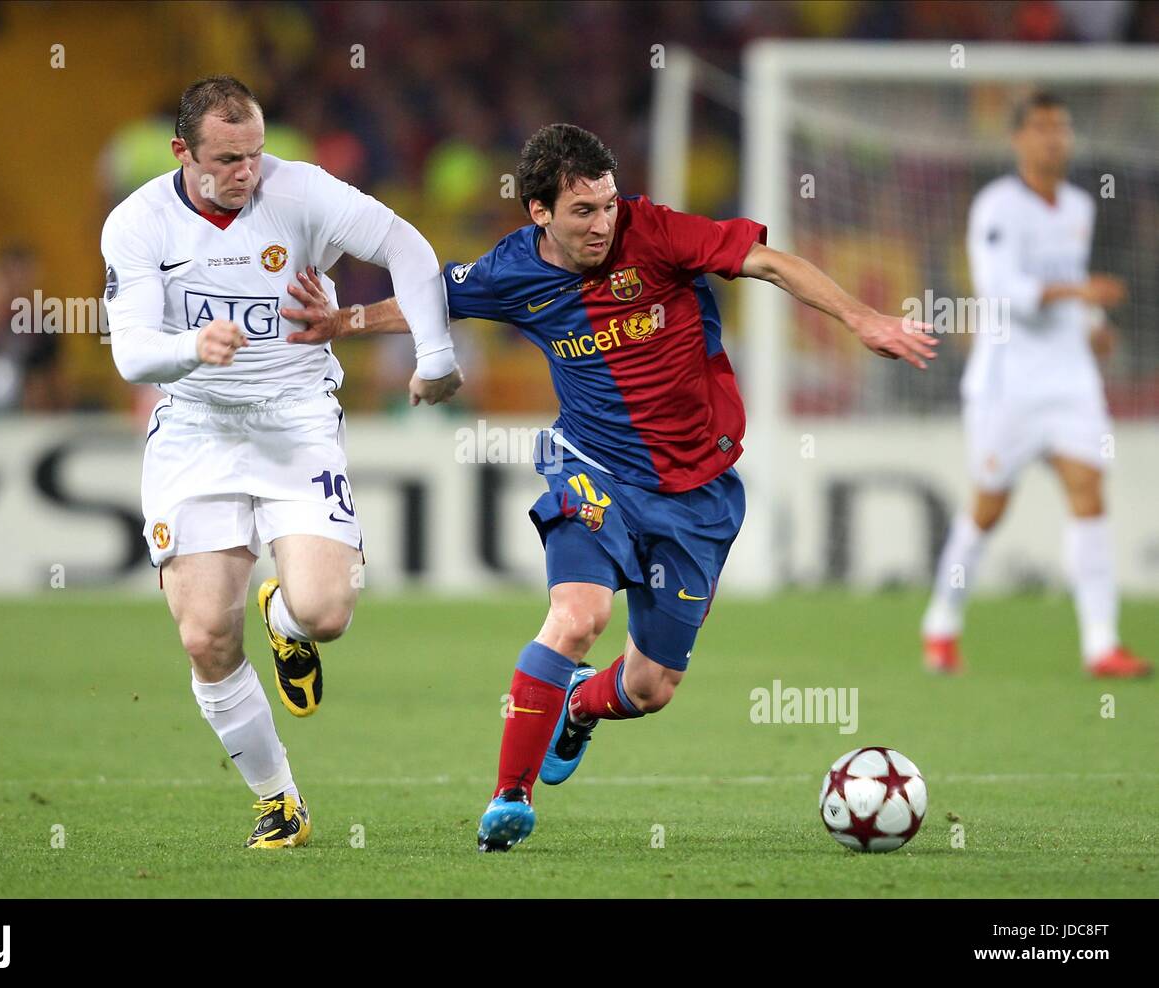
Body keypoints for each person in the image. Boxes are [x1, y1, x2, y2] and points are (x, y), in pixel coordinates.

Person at [282, 123, 937, 851]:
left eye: (607, 205)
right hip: (590, 466)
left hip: (699, 488)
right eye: (582, 212)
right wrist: (343, 320)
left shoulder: (656, 233)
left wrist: (861, 317)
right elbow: (434, 300)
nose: (602, 224)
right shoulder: (511, 271)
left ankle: (579, 708)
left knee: (650, 687)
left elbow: (769, 263)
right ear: (539, 214)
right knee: (577, 617)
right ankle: (510, 798)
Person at [100, 75, 461, 848]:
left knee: (326, 613)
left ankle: (285, 615)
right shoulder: (137, 225)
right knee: (204, 635)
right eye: (228, 159)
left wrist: (433, 353)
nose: (247, 173)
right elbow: (131, 352)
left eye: (255, 154)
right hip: (195, 430)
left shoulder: (300, 193)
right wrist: (188, 348)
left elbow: (406, 244)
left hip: (296, 422)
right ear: (181, 153)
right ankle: (279, 802)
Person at [921, 91, 1150, 679]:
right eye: (1043, 128)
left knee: (1090, 495)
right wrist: (1082, 297)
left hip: (1071, 379)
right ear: (1018, 138)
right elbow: (1001, 291)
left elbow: (1069, 282)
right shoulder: (997, 206)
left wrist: (1093, 323)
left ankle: (1101, 643)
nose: (1055, 138)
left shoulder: (1077, 205)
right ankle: (942, 624)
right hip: (1008, 384)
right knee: (989, 510)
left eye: (1062, 128)